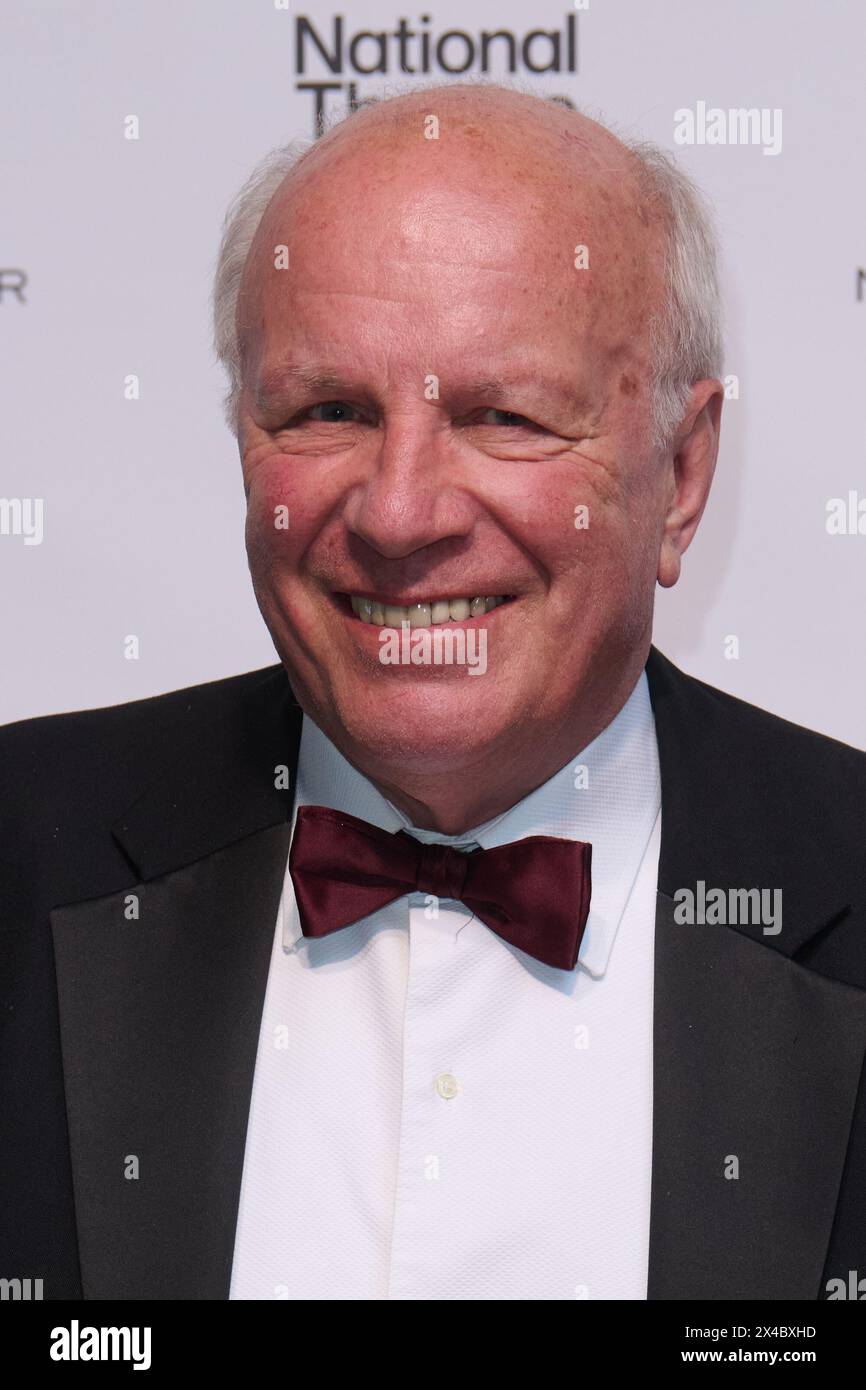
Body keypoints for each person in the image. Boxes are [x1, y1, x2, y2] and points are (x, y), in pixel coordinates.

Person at [2, 82, 864, 1302]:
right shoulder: (25, 851)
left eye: (503, 416)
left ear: (679, 473)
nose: (400, 514)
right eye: (328, 411)